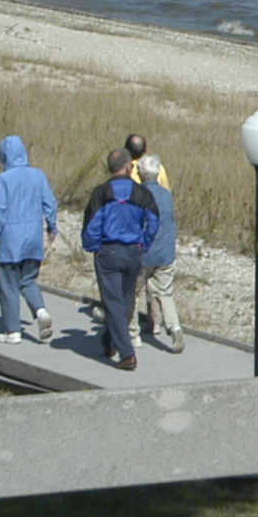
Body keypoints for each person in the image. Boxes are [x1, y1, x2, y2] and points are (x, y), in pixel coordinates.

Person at [80, 147, 160, 369]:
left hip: (108, 251)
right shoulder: (142, 193)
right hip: (133, 251)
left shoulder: (101, 193)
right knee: (124, 301)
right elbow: (154, 221)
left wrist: (93, 247)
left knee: (113, 302)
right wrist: (143, 243)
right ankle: (110, 340)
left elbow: (91, 225)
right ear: (128, 166)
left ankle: (127, 354)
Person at [0, 134, 57, 343]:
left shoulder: (3, 179)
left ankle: (13, 331)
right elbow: (49, 203)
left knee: (8, 285)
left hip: (11, 238)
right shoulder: (38, 176)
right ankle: (40, 311)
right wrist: (52, 226)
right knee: (28, 279)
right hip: (33, 236)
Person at [126, 134, 184, 354]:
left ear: (141, 173)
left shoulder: (137, 195)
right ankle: (174, 327)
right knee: (165, 293)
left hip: (143, 253)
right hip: (166, 252)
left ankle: (133, 334)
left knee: (132, 292)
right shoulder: (166, 195)